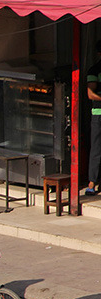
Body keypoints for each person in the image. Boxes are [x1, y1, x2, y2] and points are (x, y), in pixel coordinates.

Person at [86, 40, 101, 196]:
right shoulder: (94, 70)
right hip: (98, 115)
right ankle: (92, 182)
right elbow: (91, 94)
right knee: (96, 148)